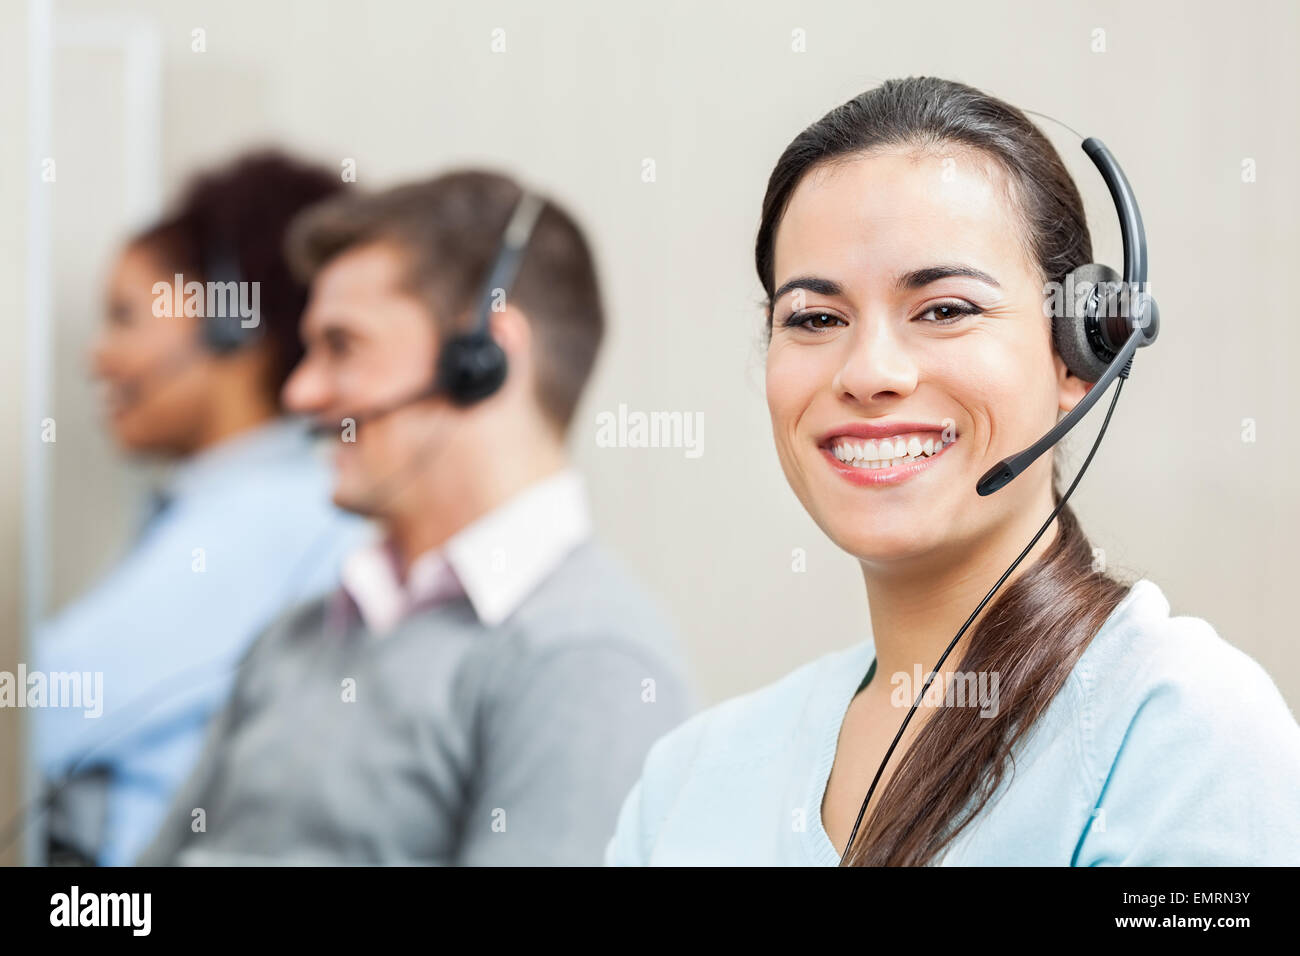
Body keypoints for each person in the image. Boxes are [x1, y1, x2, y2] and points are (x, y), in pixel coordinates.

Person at [606, 76, 1300, 866]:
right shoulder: (686, 781)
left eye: (945, 309)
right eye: (816, 318)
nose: (868, 372)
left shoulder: (1184, 738)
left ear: (1082, 350)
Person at [137, 169, 695, 865]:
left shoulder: (588, 663)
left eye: (342, 346)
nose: (300, 392)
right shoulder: (299, 635)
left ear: (483, 359)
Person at [33, 151, 372, 867]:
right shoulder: (242, 500)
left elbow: (38, 714)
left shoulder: (270, 515)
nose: (98, 358)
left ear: (231, 326)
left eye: (126, 317)